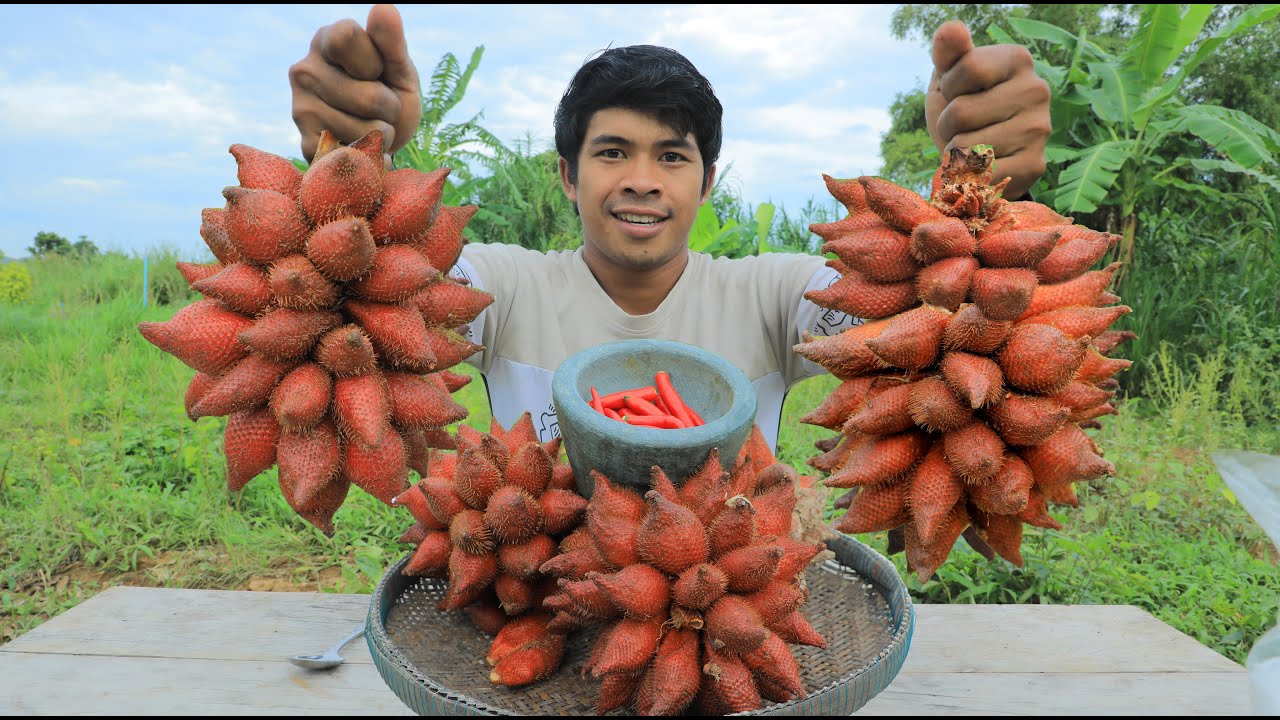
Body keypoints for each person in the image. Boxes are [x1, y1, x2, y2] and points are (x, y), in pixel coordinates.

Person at [289, 4, 1050, 451]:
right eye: (612, 151)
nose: (643, 179)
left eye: (673, 156)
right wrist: (353, 166)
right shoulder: (502, 287)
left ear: (707, 182)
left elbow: (922, 308)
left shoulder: (776, 296)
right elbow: (378, 283)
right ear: (567, 173)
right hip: (532, 602)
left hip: (720, 619)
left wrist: (974, 192)